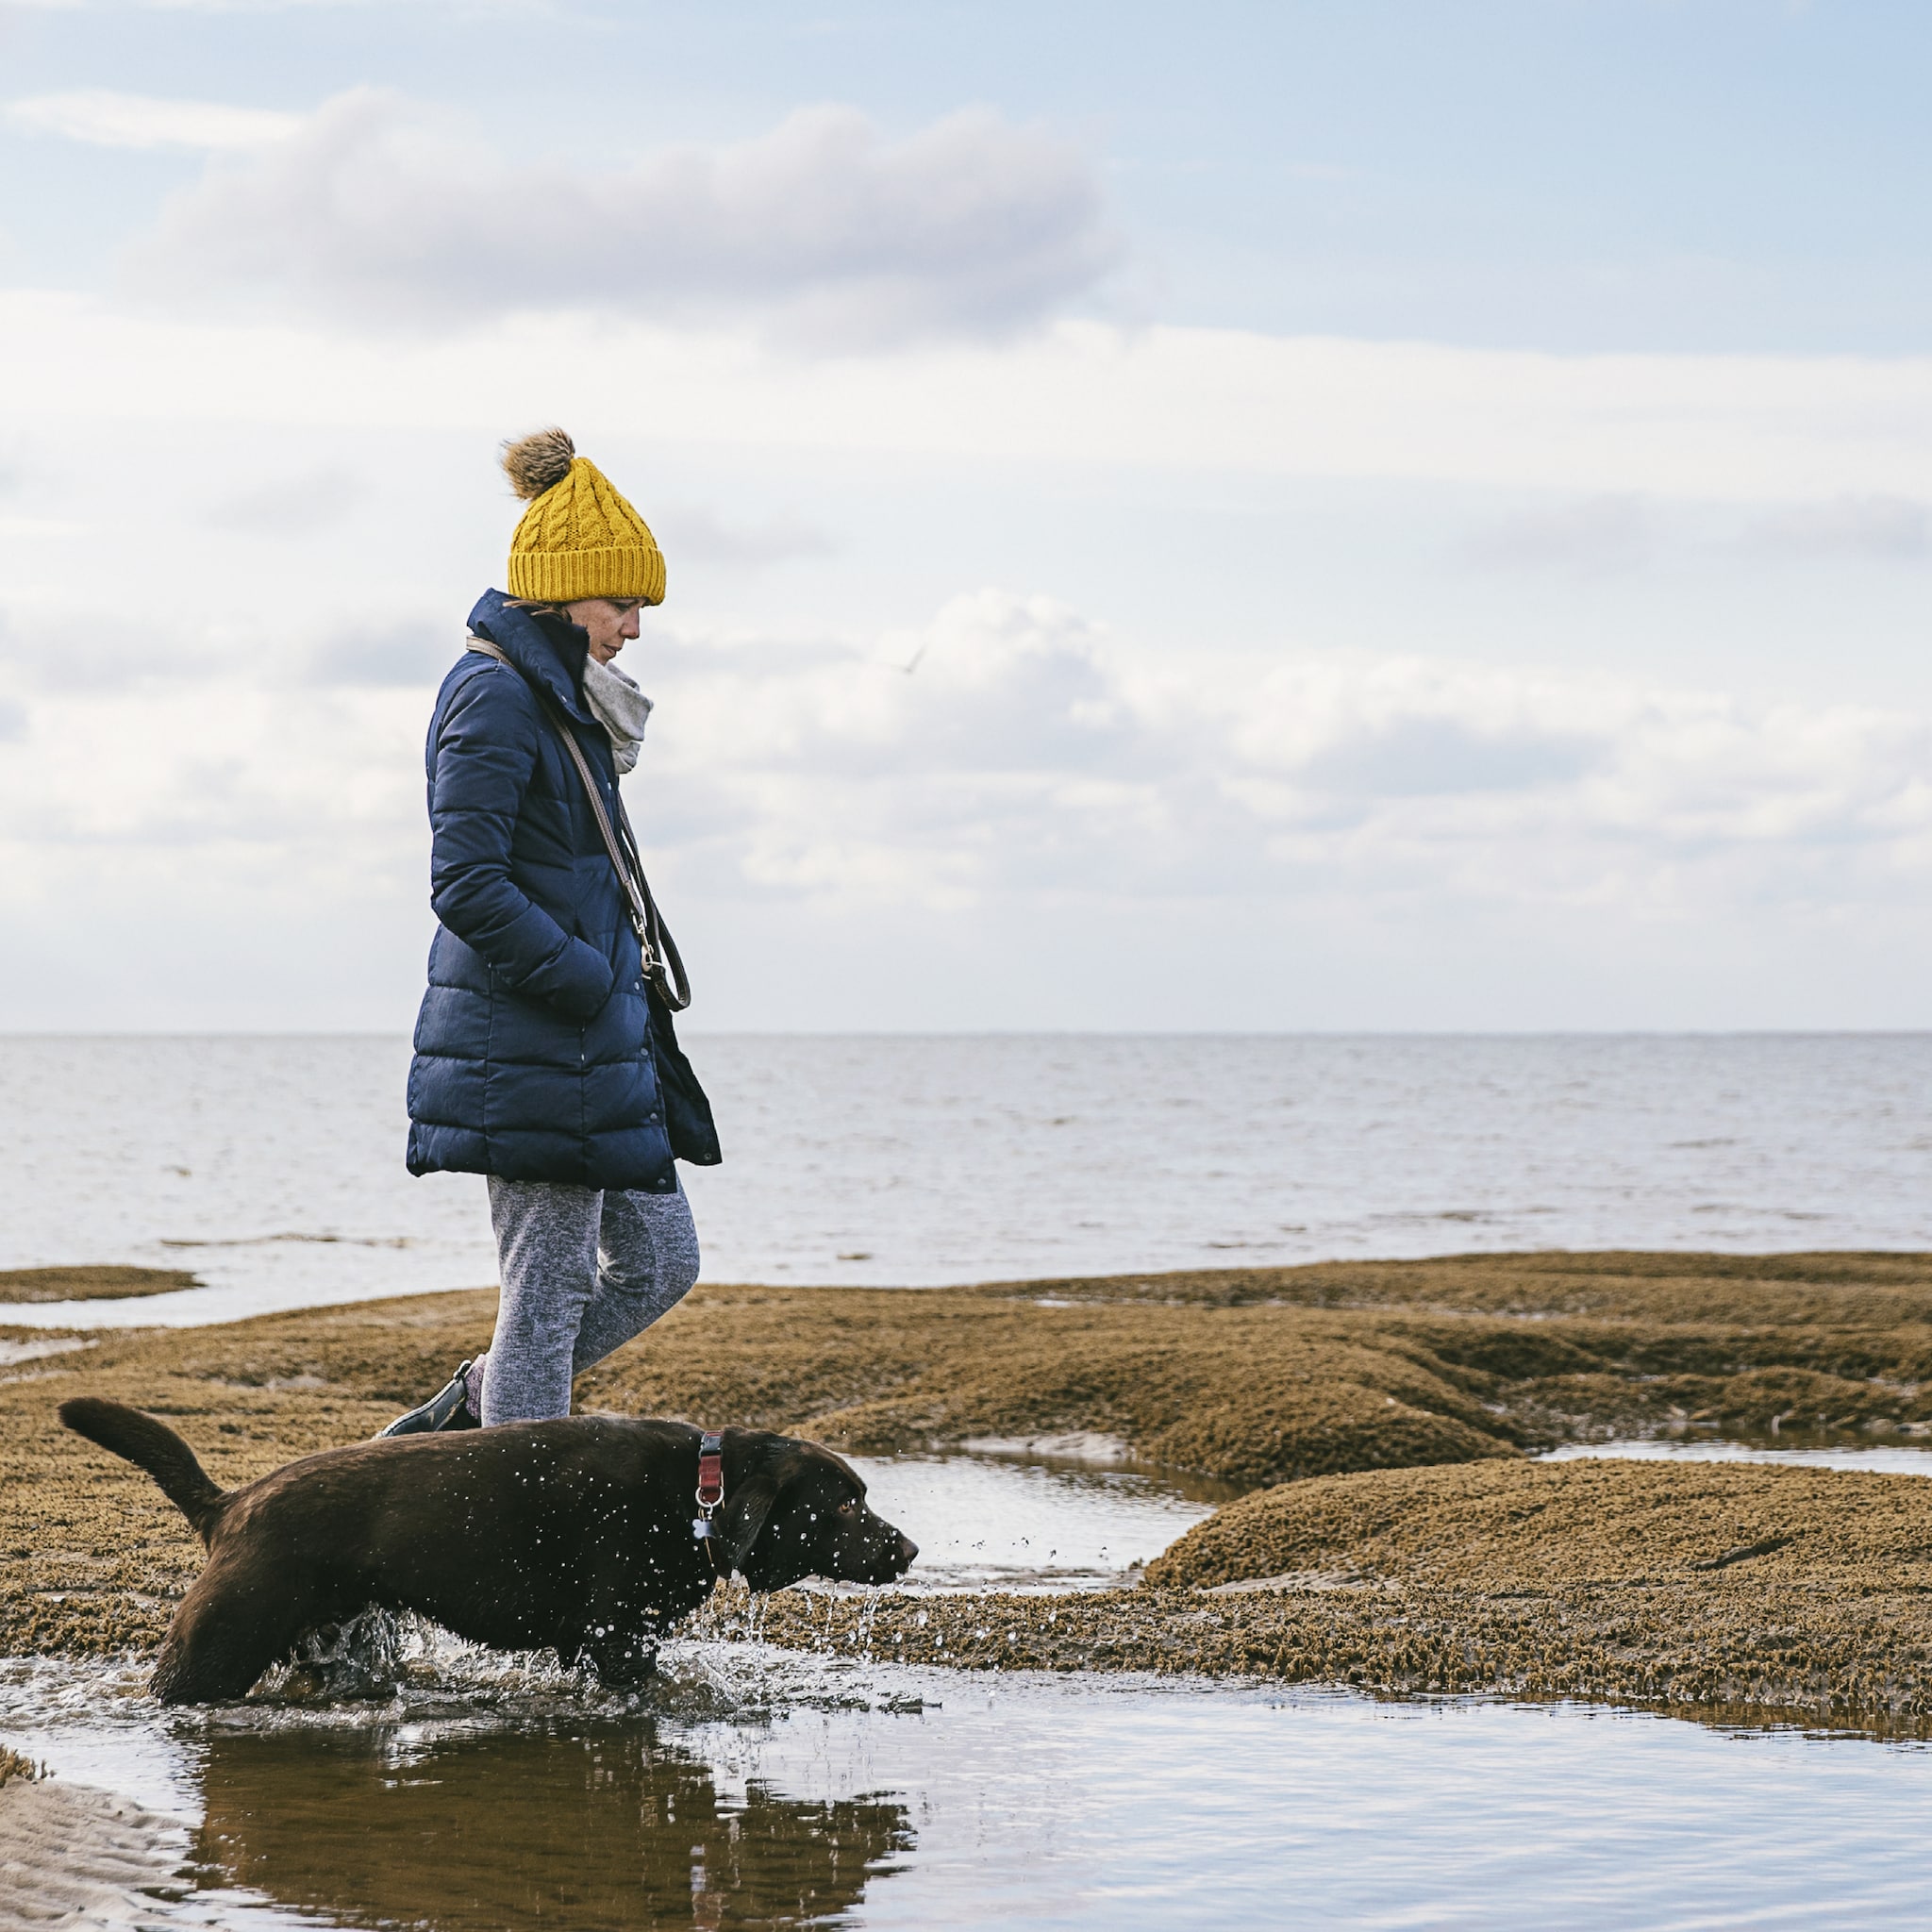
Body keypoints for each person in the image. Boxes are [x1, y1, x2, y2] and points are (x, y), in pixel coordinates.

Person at [381, 428, 720, 1435]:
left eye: (641, 606)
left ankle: (479, 1407)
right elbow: (466, 882)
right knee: (551, 1284)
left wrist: (617, 993)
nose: (634, 628)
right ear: (562, 592)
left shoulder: (564, 703)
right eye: (622, 603)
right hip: (534, 1041)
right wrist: (580, 981)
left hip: (596, 1042)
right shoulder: (494, 694)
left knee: (662, 1262)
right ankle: (512, 1520)